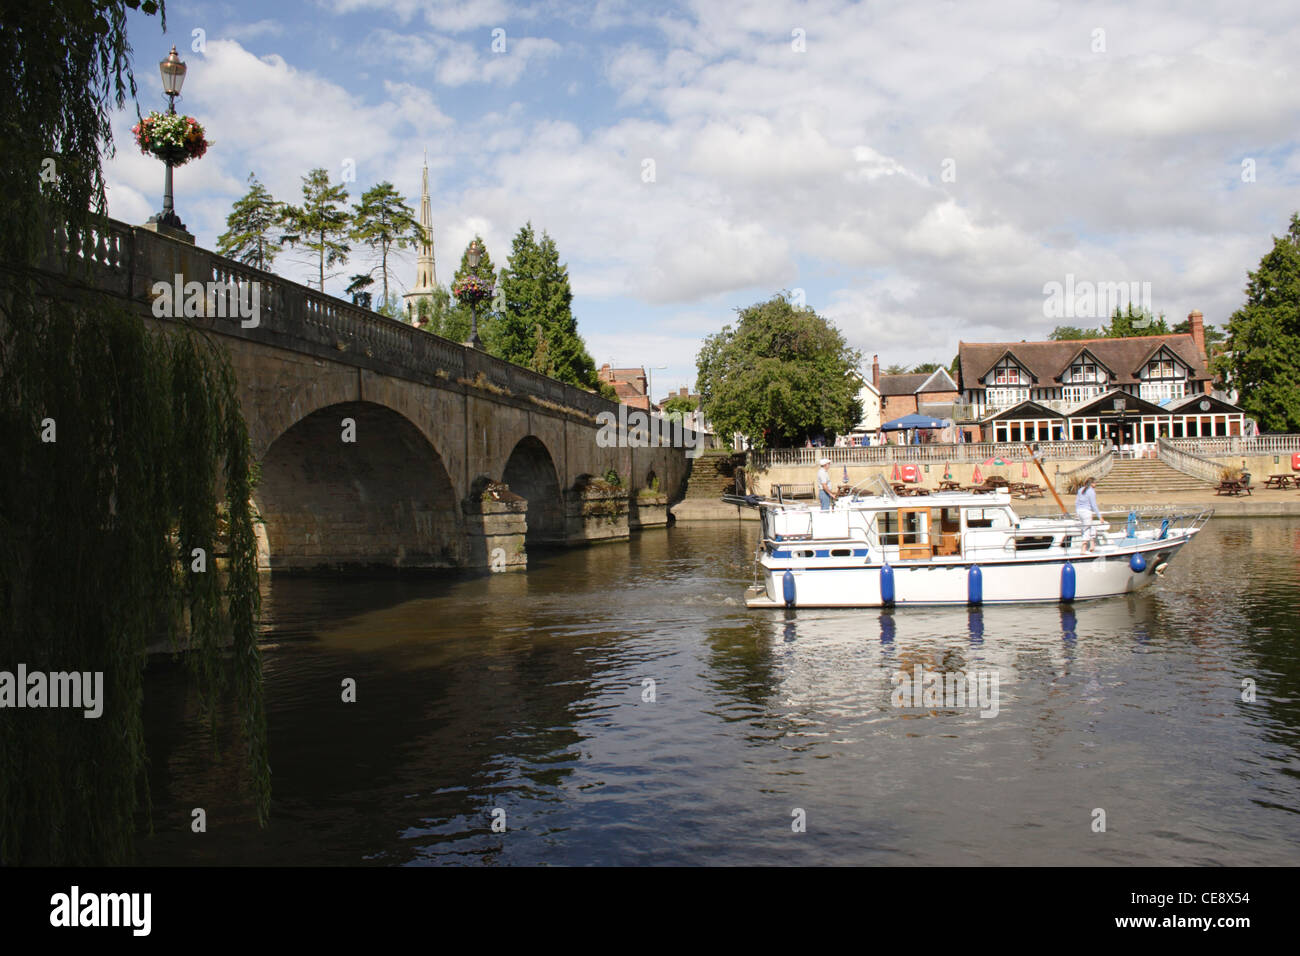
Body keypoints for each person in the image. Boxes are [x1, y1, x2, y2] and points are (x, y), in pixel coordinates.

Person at [1075, 476, 1100, 553]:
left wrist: (1077, 511)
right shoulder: (1091, 491)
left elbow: (1076, 502)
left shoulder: (1080, 490)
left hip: (1079, 511)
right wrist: (1100, 516)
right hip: (1086, 512)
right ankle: (1083, 548)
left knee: (1091, 526)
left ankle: (1092, 544)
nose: (1096, 484)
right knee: (1086, 529)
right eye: (1095, 483)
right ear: (1092, 484)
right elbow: (1093, 505)